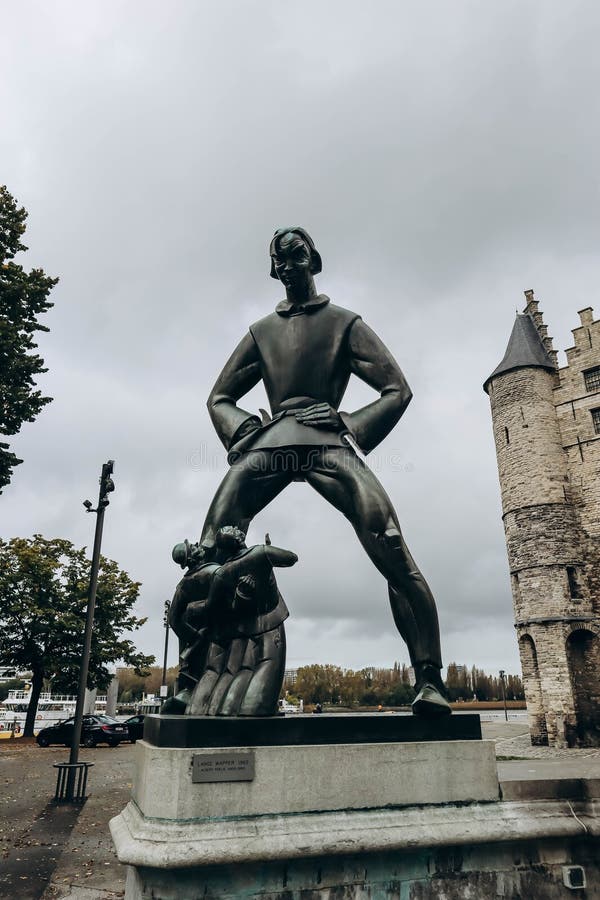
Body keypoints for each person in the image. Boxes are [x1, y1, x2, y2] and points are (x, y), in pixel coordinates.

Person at [201, 227, 450, 717]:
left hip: (327, 441)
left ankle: (429, 679)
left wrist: (348, 422)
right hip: (274, 442)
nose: (287, 266)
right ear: (273, 268)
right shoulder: (260, 332)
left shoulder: (344, 324)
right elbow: (219, 398)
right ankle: (195, 679)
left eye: (296, 256)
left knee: (390, 542)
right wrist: (247, 429)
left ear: (313, 261)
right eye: (279, 259)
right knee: (212, 543)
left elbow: (396, 389)